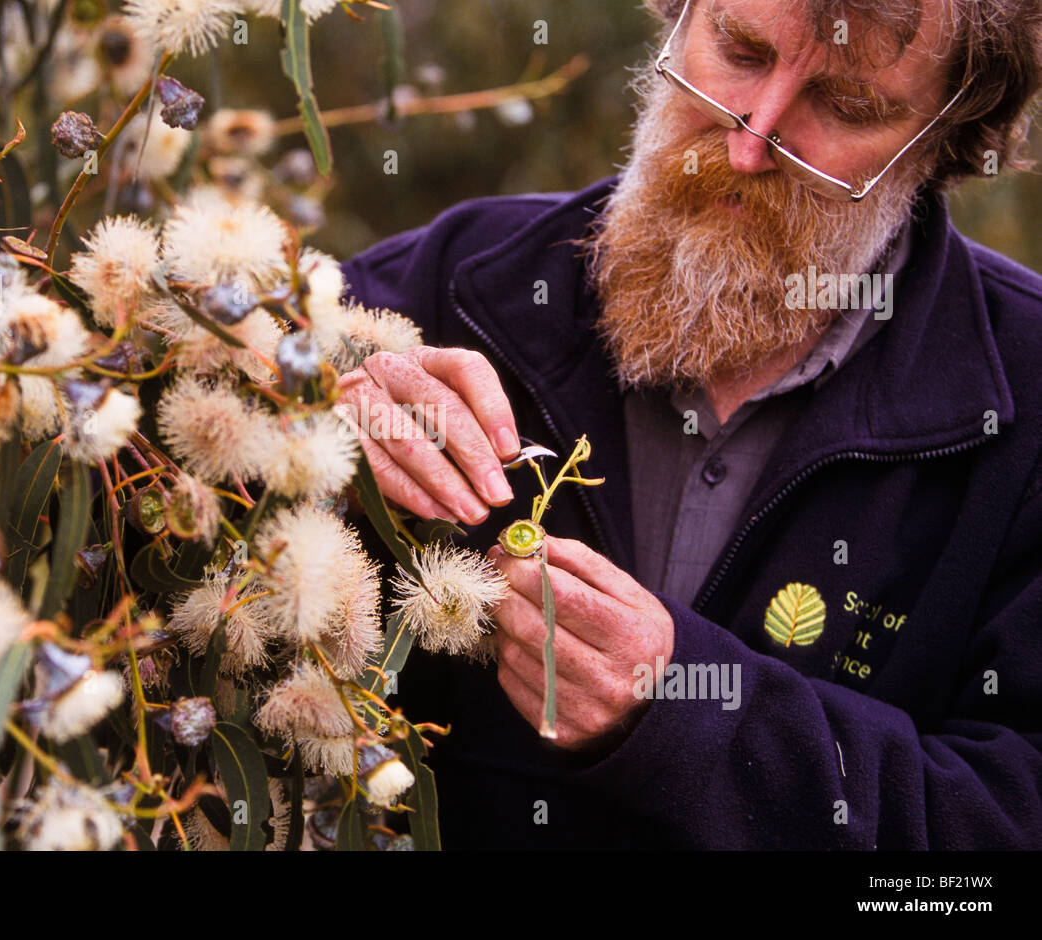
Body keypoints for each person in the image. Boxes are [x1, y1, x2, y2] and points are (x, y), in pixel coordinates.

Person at [336, 0, 1042, 849]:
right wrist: (310, 432)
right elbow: (165, 551)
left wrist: (697, 718)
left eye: (849, 106)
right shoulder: (451, 287)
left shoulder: (1023, 404)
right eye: (739, 51)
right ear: (676, 20)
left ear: (944, 137)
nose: (750, 143)